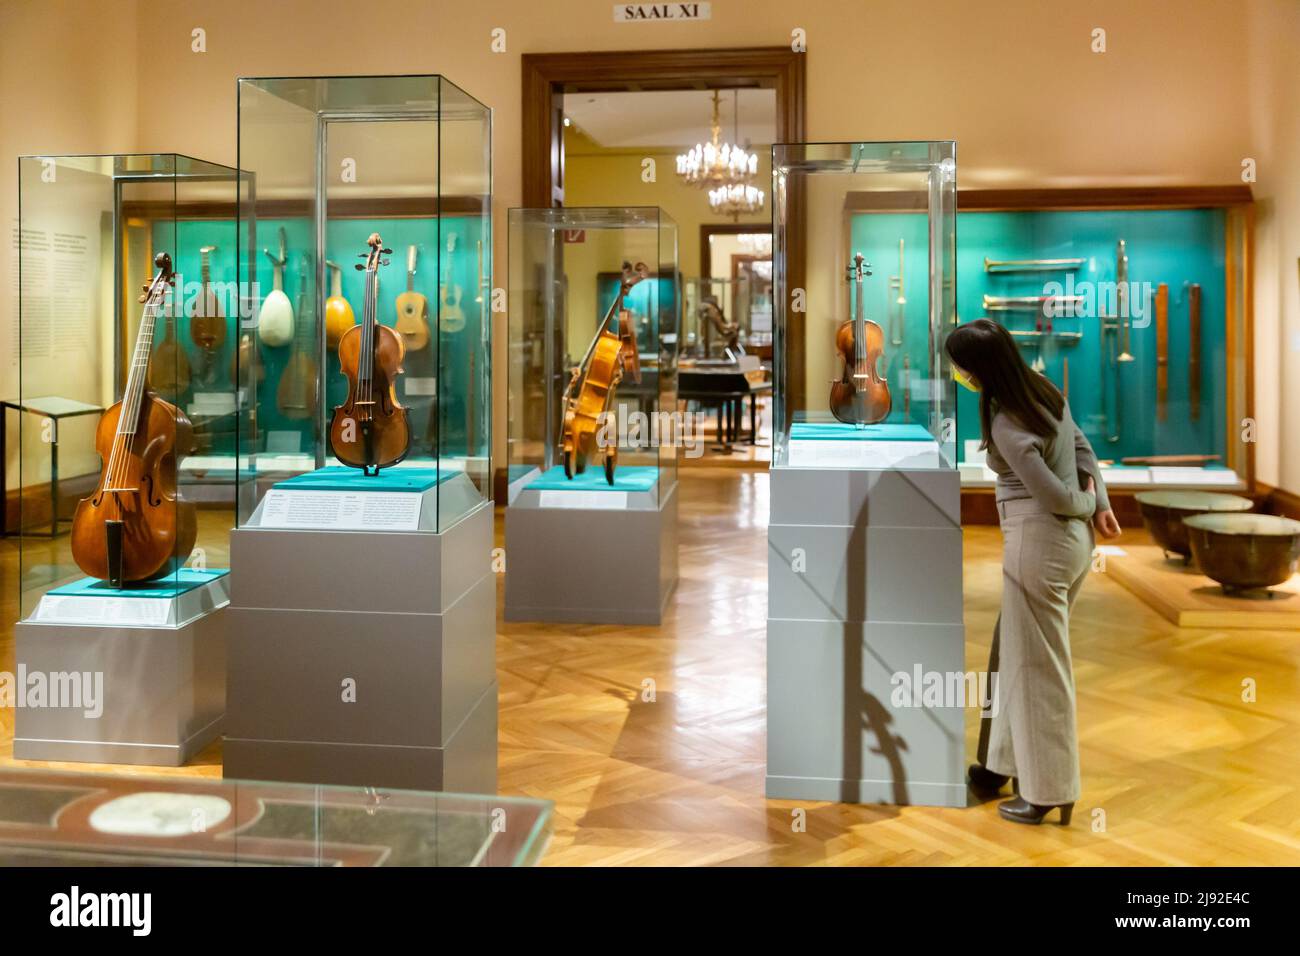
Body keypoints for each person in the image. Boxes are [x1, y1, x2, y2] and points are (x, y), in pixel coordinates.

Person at [946, 318, 1121, 825]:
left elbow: (1053, 496)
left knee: (1039, 670)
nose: (959, 376)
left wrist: (1088, 504)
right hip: (1066, 545)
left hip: (1039, 541)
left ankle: (1048, 790)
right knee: (1015, 653)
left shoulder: (1005, 420)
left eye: (961, 368)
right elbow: (1084, 447)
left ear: (977, 369)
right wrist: (1102, 501)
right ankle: (999, 762)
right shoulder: (1041, 389)